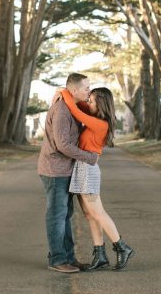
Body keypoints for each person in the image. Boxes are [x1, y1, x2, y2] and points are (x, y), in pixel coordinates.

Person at [59, 86, 135, 271]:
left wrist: (64, 92)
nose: (89, 103)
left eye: (92, 101)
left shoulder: (100, 124)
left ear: (100, 104)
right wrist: (71, 94)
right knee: (89, 214)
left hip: (88, 170)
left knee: (98, 213)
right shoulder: (96, 118)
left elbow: (76, 110)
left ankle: (122, 247)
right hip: (81, 167)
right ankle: (100, 255)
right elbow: (81, 106)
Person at [37, 73, 99, 274]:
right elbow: (63, 145)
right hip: (55, 170)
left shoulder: (73, 106)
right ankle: (57, 259)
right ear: (73, 90)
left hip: (65, 169)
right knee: (57, 215)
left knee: (65, 214)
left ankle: (68, 258)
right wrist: (88, 157)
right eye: (86, 88)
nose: (89, 91)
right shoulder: (62, 111)